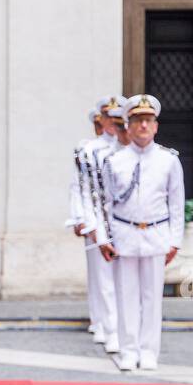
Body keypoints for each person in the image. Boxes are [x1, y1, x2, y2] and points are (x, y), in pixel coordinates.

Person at [95, 94, 184, 372]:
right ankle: (128, 349)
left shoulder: (168, 161)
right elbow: (103, 203)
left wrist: (175, 240)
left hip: (156, 232)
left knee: (151, 297)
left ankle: (149, 351)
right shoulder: (115, 161)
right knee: (126, 295)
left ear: (155, 126)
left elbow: (176, 203)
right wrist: (102, 237)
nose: (143, 126)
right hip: (124, 232)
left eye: (148, 121)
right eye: (137, 121)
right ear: (128, 126)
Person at [68, 96, 122, 353]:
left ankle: (120, 327)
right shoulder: (90, 150)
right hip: (98, 220)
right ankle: (105, 324)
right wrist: (82, 220)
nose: (114, 123)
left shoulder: (130, 147)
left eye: (118, 117)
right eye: (110, 118)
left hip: (125, 222)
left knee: (123, 279)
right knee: (102, 277)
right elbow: (79, 188)